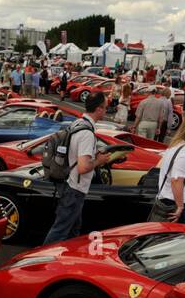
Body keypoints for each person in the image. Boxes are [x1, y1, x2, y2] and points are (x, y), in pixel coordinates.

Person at [43, 92, 126, 245]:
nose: (106, 111)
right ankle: (42, 262)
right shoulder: (87, 133)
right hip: (74, 190)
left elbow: (75, 155)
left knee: (73, 230)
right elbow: (83, 167)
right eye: (105, 108)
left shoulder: (77, 123)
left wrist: (93, 155)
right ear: (99, 109)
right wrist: (98, 161)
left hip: (69, 184)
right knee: (60, 232)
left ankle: (65, 261)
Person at [148, 112, 185, 224]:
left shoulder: (176, 145)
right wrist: (180, 206)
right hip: (175, 204)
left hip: (168, 200)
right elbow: (176, 179)